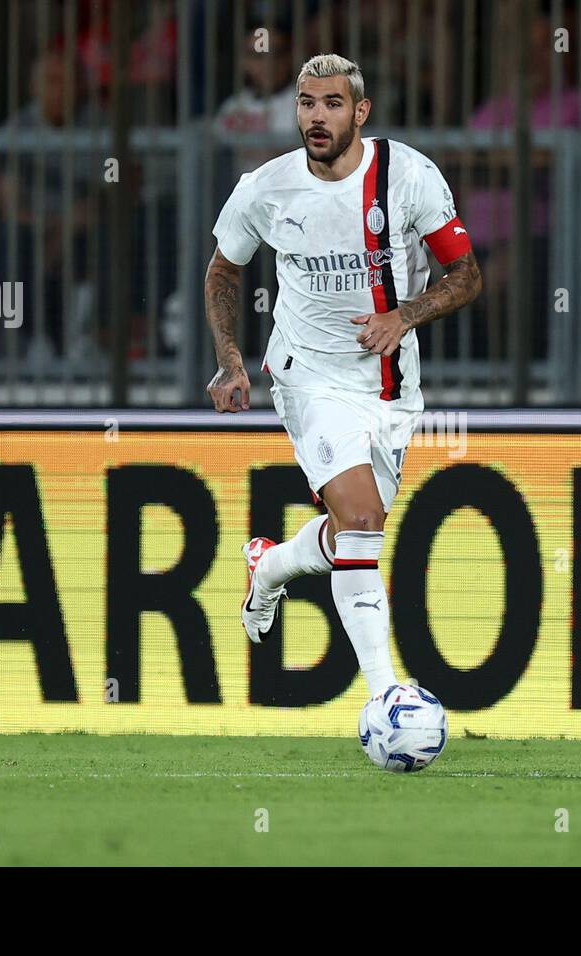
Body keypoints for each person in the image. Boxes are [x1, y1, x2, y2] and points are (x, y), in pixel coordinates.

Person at [204, 54, 481, 698]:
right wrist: (229, 358)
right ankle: (387, 697)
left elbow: (467, 275)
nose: (316, 116)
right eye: (306, 103)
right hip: (307, 376)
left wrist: (403, 316)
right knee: (359, 519)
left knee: (359, 528)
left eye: (331, 104)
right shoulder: (265, 188)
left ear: (360, 112)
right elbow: (223, 271)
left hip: (389, 386)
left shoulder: (409, 176)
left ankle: (269, 566)